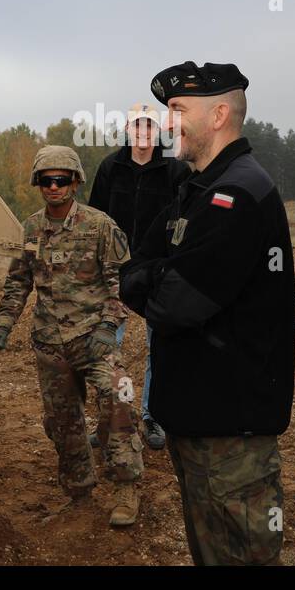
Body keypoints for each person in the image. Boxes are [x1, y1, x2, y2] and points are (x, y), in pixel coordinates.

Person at [121, 62, 295, 565]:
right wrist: (154, 276)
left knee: (241, 555)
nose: (167, 122)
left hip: (230, 433)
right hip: (199, 420)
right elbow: (135, 268)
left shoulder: (235, 194)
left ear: (219, 114)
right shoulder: (195, 185)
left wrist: (153, 279)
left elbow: (173, 304)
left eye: (176, 110)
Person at [0, 145, 143, 527]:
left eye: (61, 179)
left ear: (75, 182)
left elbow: (121, 282)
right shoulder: (29, 228)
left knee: (118, 399)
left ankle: (125, 487)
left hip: (94, 339)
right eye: (46, 180)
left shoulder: (100, 226)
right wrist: (4, 324)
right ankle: (79, 492)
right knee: (63, 422)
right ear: (38, 184)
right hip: (50, 343)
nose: (53, 187)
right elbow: (17, 282)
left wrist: (109, 325)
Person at [88, 101, 189, 450]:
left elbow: (185, 222)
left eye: (149, 126)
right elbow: (96, 219)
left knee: (157, 347)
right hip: (115, 271)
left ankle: (153, 417)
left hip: (157, 272)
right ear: (127, 131)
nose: (143, 133)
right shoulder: (110, 168)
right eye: (137, 126)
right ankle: (107, 419)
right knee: (107, 348)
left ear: (156, 130)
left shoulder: (175, 172)